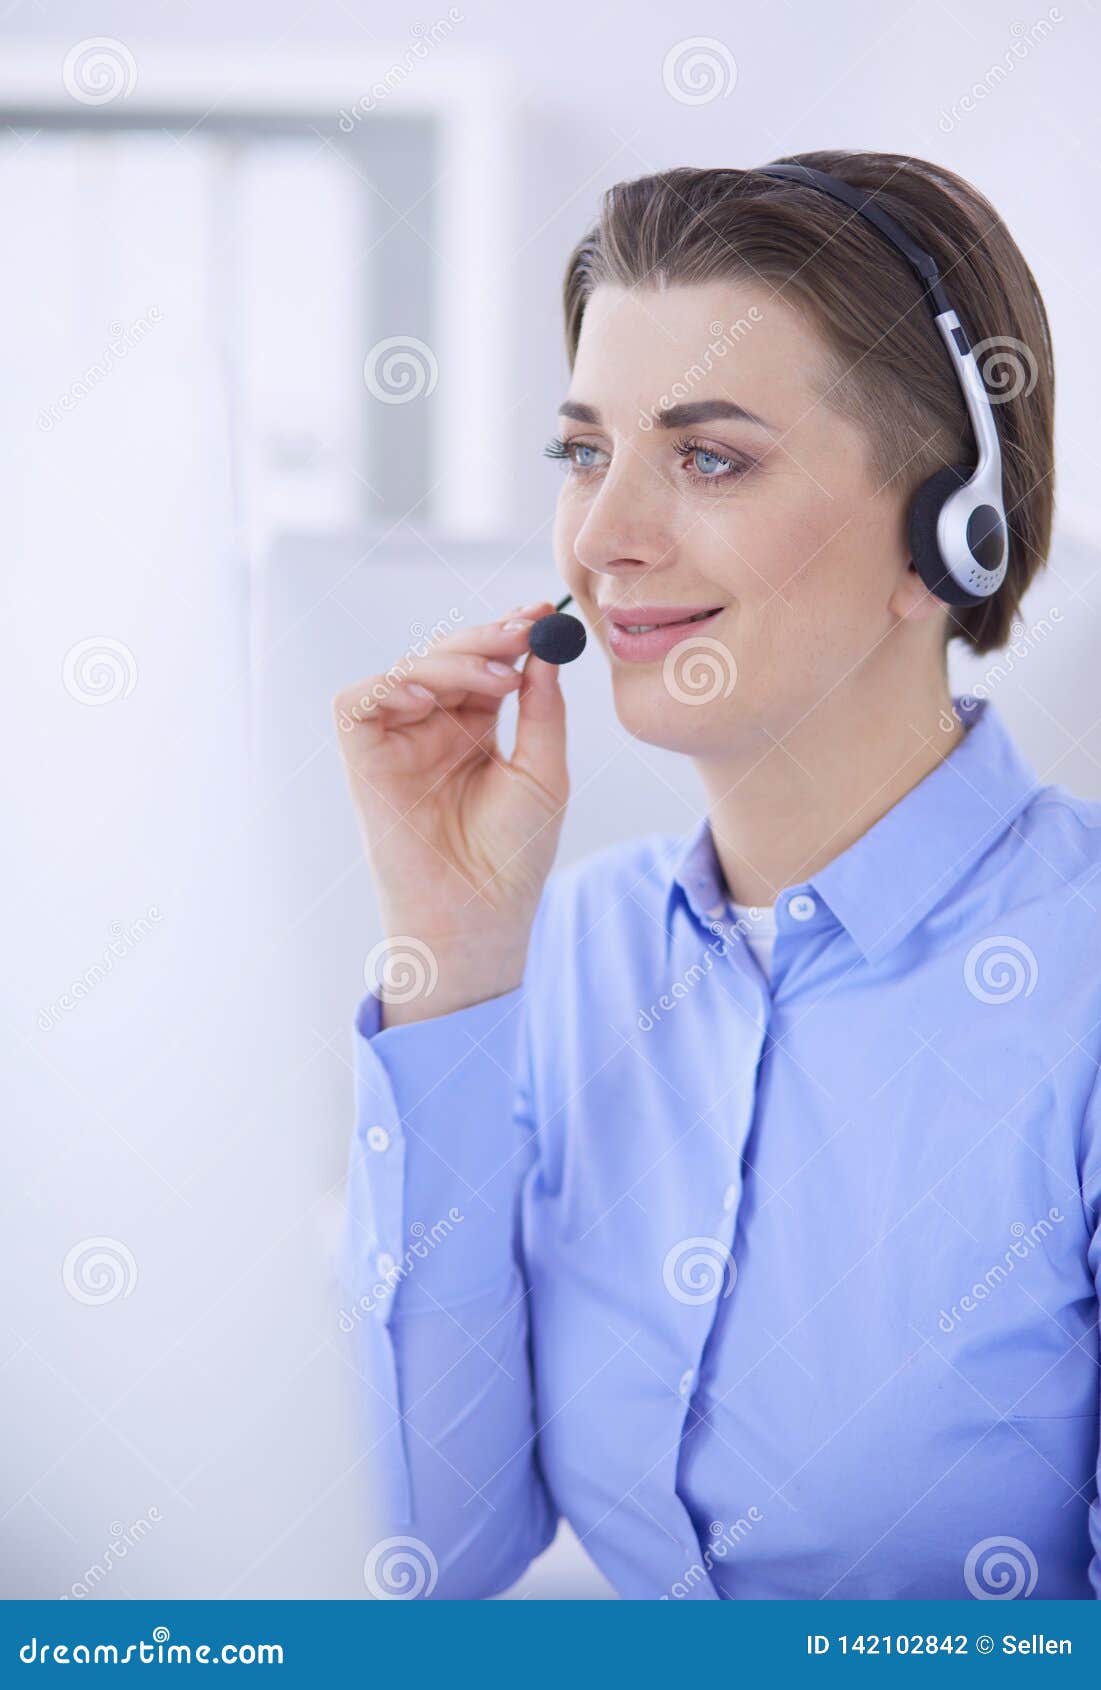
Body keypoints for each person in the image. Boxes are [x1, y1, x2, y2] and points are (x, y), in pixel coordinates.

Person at [332, 151, 1100, 1601]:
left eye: (708, 456)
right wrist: (447, 955)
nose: (603, 536)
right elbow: (424, 1556)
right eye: (582, 450)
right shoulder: (567, 959)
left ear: (948, 534)